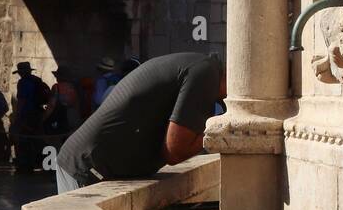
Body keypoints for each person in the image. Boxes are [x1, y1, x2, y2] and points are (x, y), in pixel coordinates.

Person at [55, 52, 225, 194]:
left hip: (91, 166)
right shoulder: (206, 73)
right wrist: (222, 132)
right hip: (87, 169)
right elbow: (175, 151)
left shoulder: (200, 66)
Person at [10, 61, 51, 173]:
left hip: (26, 115)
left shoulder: (22, 83)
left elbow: (22, 100)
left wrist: (17, 116)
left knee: (24, 140)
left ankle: (26, 165)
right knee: (37, 139)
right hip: (38, 113)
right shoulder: (37, 80)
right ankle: (46, 164)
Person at [43, 66, 80, 136]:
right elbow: (77, 105)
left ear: (59, 77)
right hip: (74, 118)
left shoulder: (56, 87)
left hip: (61, 120)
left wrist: (44, 118)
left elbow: (51, 105)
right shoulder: (74, 87)